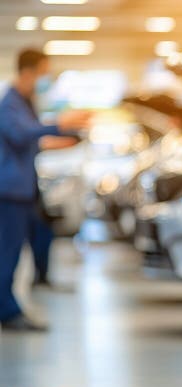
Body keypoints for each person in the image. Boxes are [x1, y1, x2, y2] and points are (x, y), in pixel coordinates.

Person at [0, 49, 91, 331]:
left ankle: (11, 306)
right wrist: (59, 125)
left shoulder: (26, 102)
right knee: (7, 252)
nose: (45, 79)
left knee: (27, 243)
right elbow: (21, 134)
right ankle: (7, 311)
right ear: (28, 72)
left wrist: (61, 138)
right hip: (9, 192)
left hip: (23, 190)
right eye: (43, 73)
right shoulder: (10, 103)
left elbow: (30, 140)